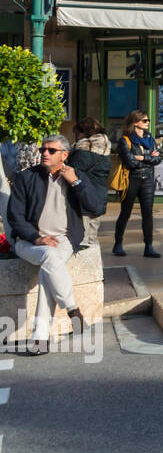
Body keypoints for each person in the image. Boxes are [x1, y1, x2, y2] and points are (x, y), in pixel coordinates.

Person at [6, 134, 101, 354]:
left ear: (64, 155)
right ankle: (73, 309)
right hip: (29, 242)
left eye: (51, 150)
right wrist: (36, 238)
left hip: (64, 241)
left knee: (47, 271)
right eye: (42, 150)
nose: (45, 154)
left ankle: (40, 338)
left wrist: (75, 182)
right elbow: (15, 216)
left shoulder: (76, 177)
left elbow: (95, 207)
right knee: (49, 256)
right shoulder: (26, 177)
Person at [113, 110, 161, 258]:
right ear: (135, 123)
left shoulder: (150, 138)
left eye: (148, 121)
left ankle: (149, 246)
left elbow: (158, 159)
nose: (147, 123)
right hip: (130, 179)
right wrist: (148, 158)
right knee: (125, 212)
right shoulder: (125, 140)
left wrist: (141, 157)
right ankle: (118, 244)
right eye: (145, 121)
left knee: (147, 213)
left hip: (147, 179)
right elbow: (130, 162)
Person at [68, 118, 111, 249]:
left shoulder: (83, 151)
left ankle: (85, 267)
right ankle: (95, 267)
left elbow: (72, 172)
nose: (76, 136)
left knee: (82, 239)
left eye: (77, 133)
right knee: (92, 238)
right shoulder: (105, 150)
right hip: (98, 197)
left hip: (84, 197)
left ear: (85, 133)